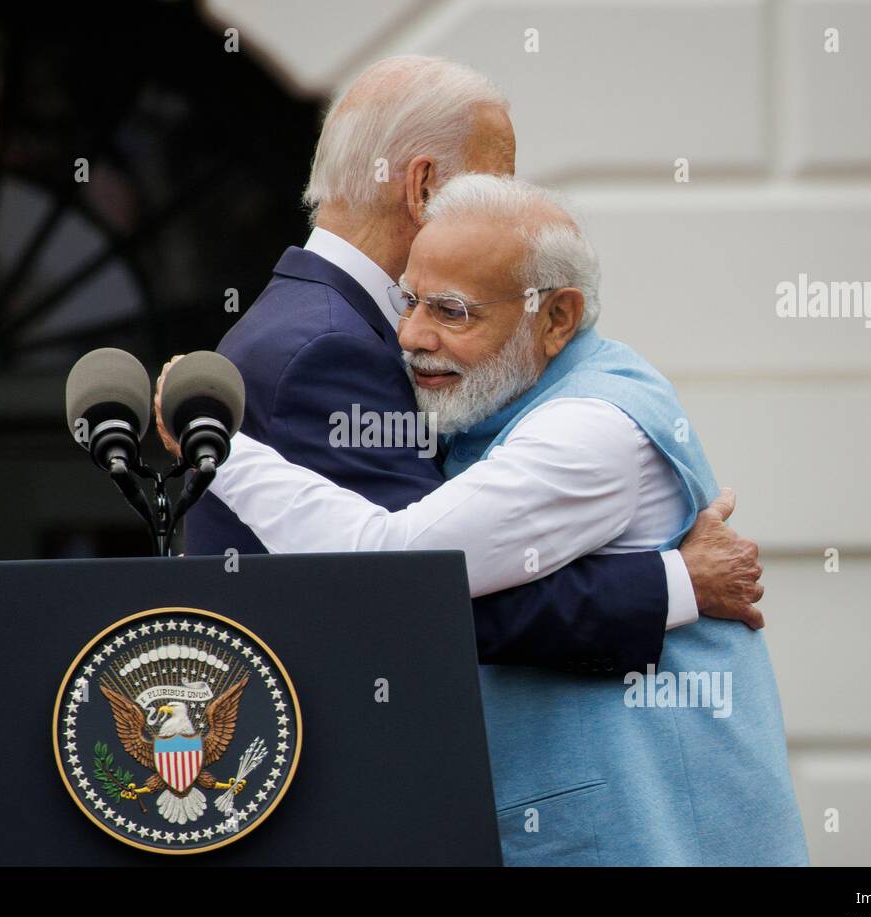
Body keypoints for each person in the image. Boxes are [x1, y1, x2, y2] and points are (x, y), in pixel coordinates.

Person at [162, 174, 808, 865]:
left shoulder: (589, 433)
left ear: (557, 318)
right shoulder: (508, 397)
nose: (411, 336)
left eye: (453, 312)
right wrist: (675, 580)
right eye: (408, 302)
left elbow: (393, 564)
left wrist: (221, 450)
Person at [180, 55, 766, 677]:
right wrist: (676, 581)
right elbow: (420, 584)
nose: (416, 332)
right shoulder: (329, 347)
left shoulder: (320, 322)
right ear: (425, 187)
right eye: (496, 181)